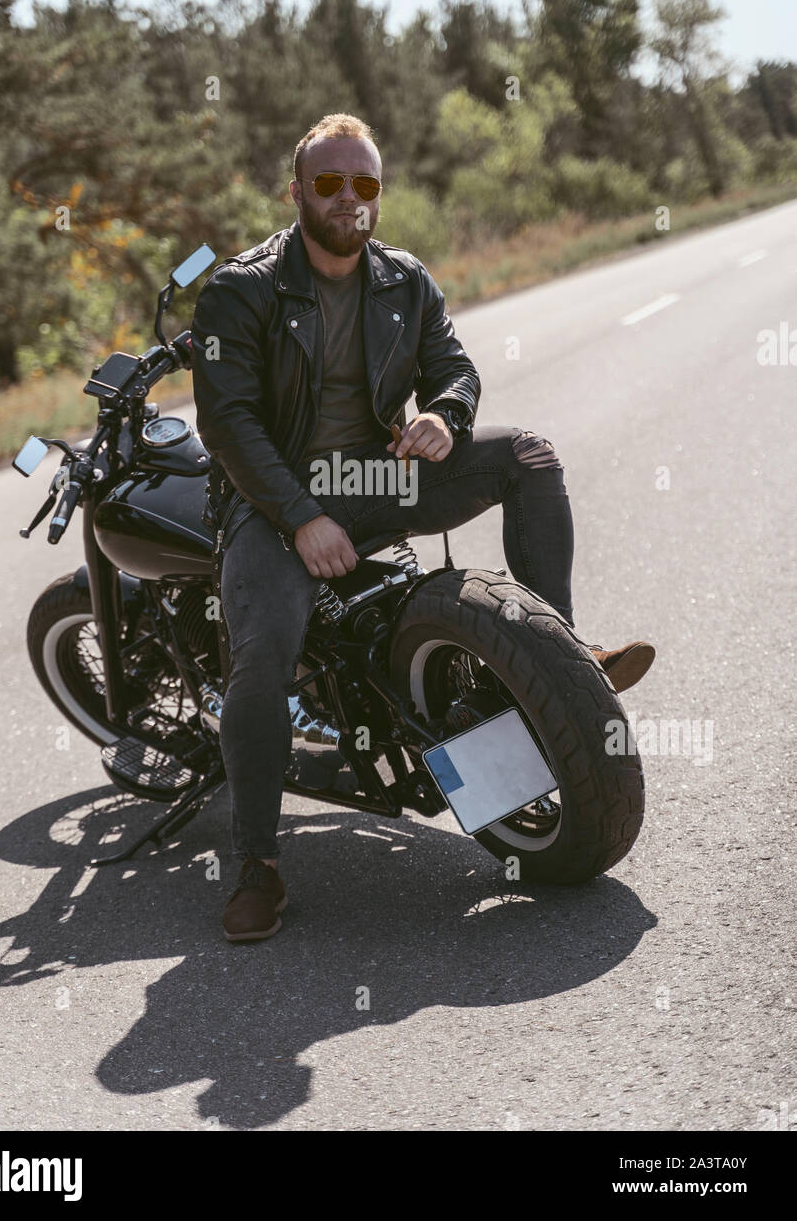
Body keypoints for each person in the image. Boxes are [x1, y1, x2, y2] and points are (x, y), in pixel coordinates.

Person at [191, 112, 655, 943]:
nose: (347, 198)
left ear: (379, 194)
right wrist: (300, 518)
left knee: (529, 455)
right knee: (262, 658)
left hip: (372, 478)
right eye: (328, 183)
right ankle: (256, 864)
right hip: (271, 502)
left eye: (362, 183)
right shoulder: (242, 287)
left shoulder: (404, 281)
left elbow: (457, 367)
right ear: (297, 191)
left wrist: (446, 412)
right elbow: (228, 425)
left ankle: (562, 658)